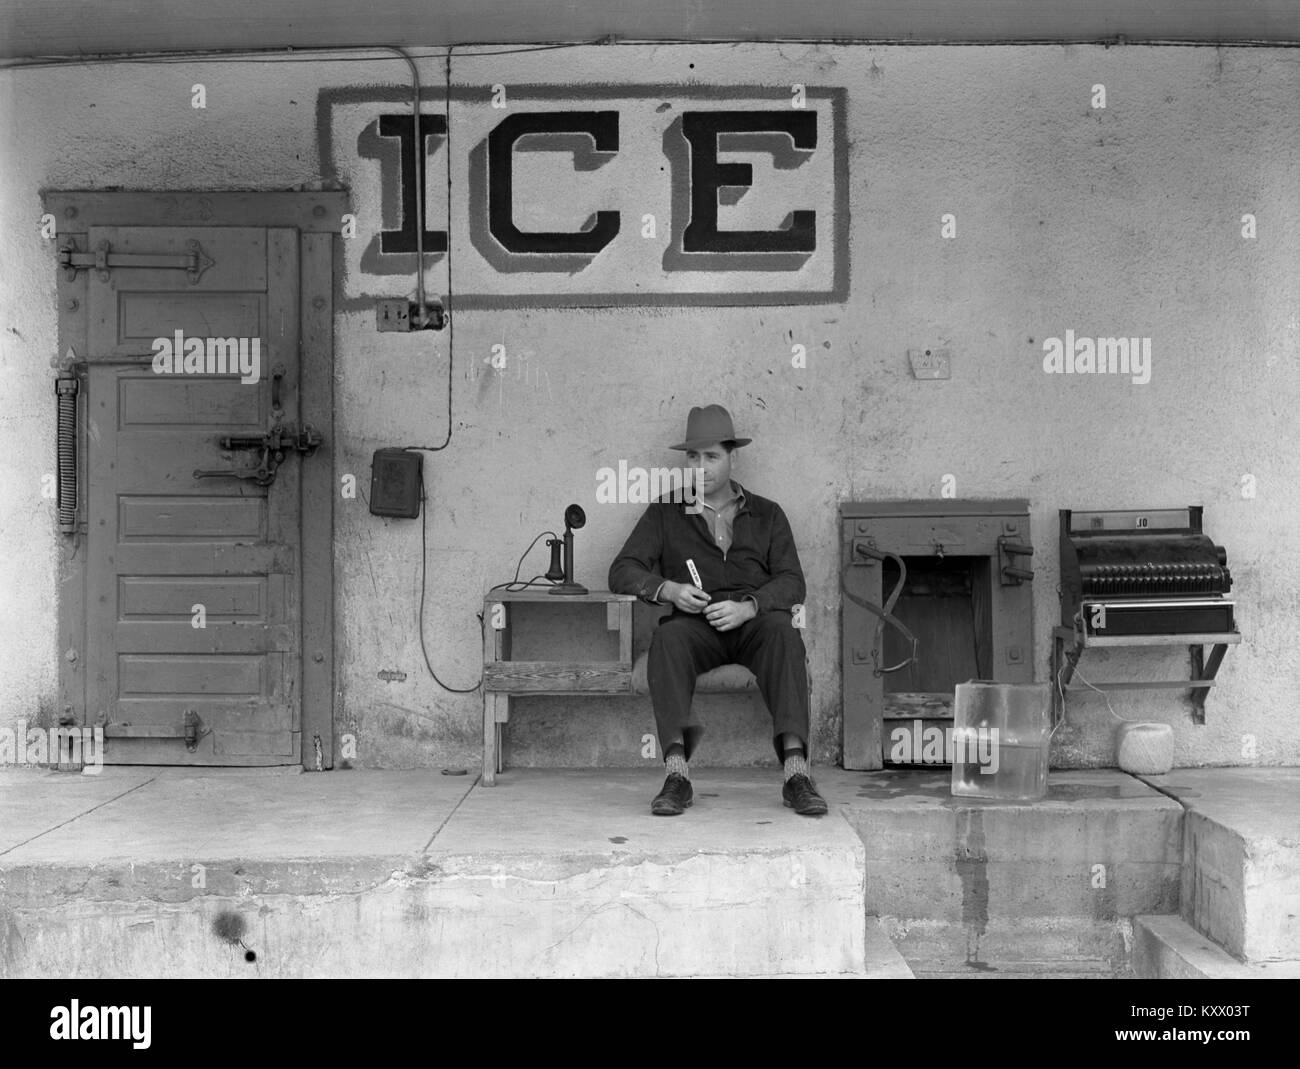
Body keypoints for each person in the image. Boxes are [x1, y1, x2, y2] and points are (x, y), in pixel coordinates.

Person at [608, 404, 828, 817]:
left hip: (755, 623)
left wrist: (750, 607)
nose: (701, 467)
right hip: (696, 626)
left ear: (733, 457)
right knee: (668, 639)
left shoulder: (768, 514)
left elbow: (792, 581)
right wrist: (668, 589)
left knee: (785, 635)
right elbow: (622, 571)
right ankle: (677, 775)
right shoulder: (666, 511)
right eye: (693, 457)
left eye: (712, 456)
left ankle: (796, 774)